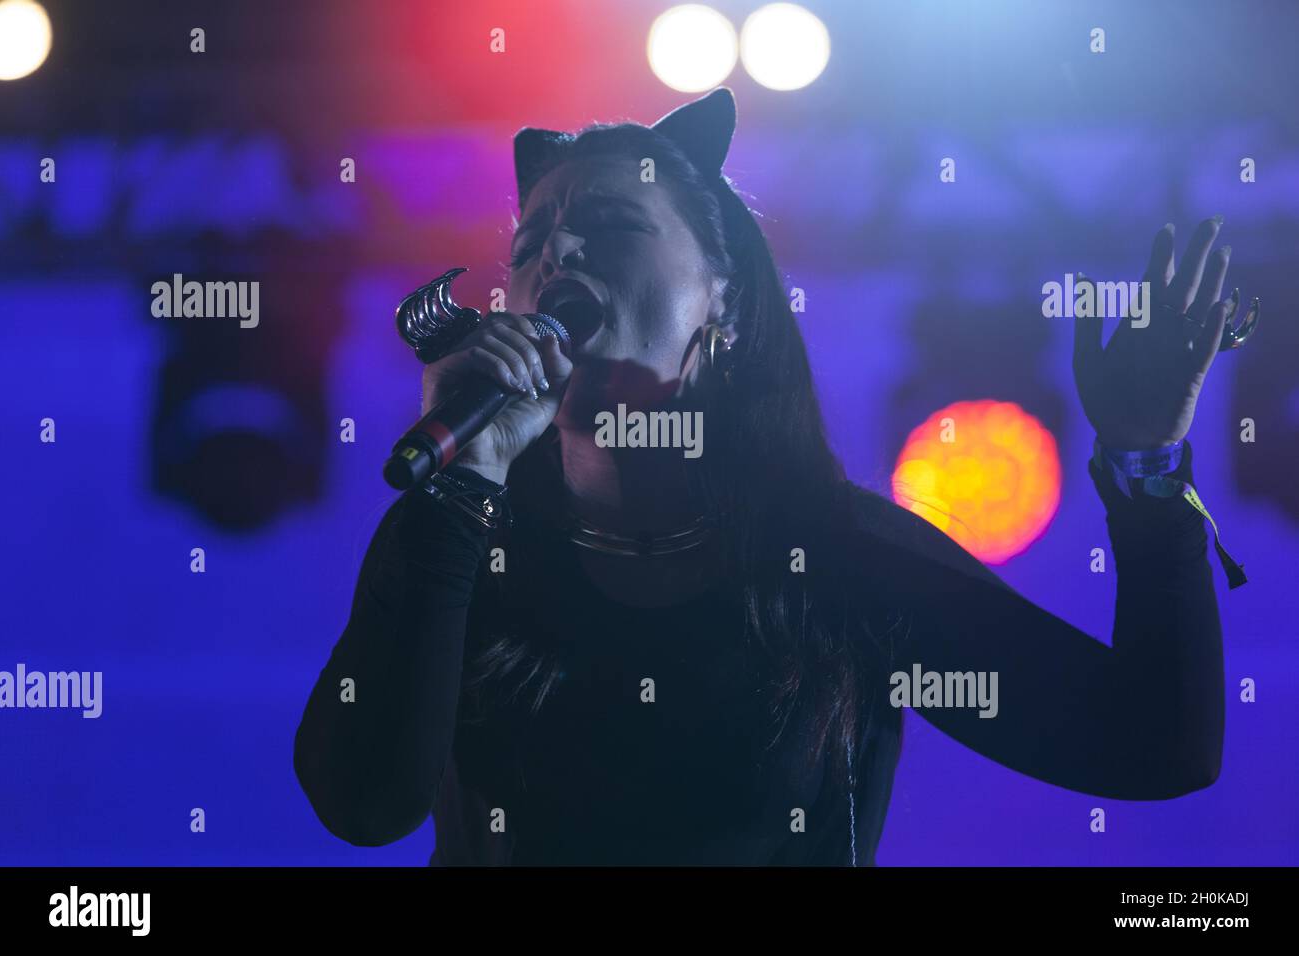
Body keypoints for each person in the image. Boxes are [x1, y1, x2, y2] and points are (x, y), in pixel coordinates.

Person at [293, 87, 1237, 865]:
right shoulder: (462, 537)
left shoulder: (837, 561)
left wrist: (1147, 465)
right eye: (530, 243)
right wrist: (462, 489)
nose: (556, 254)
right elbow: (362, 803)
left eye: (611, 226)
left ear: (725, 302)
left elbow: (1155, 745)